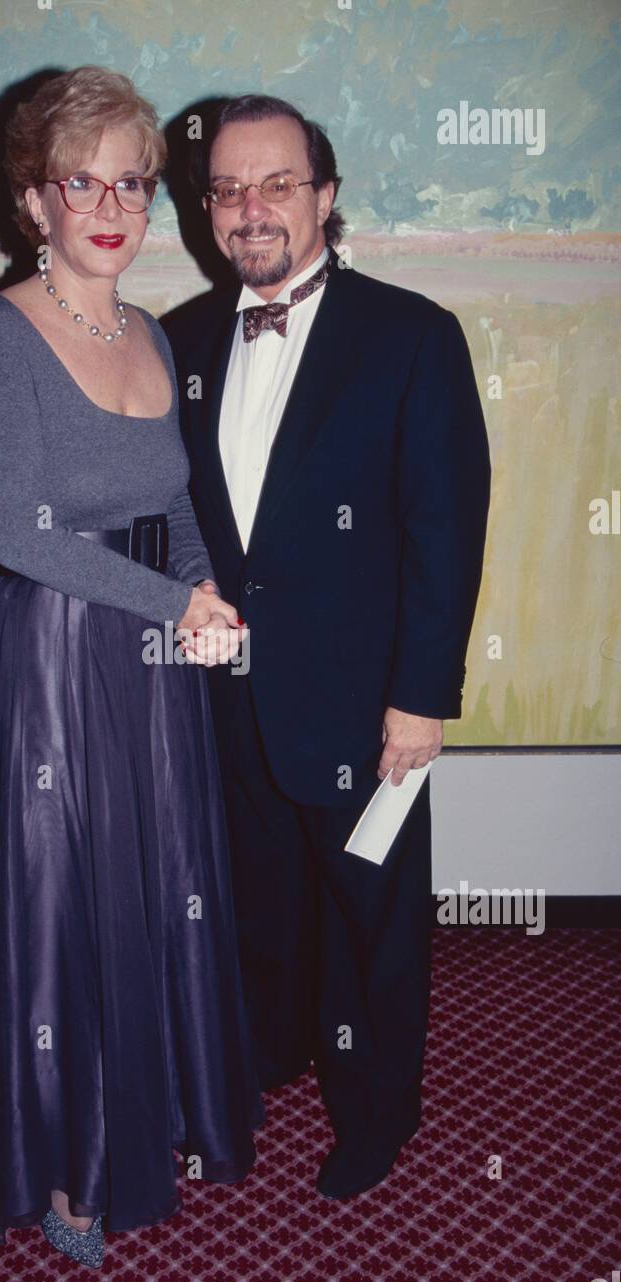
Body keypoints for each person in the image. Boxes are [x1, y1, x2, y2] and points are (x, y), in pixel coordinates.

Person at [0, 67, 265, 1269]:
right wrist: (176, 599)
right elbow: (19, 534)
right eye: (85, 181)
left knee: (156, 876)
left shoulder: (145, 332)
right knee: (66, 899)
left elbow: (169, 498)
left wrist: (202, 598)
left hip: (146, 653)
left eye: (134, 180)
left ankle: (150, 1119)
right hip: (54, 657)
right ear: (35, 199)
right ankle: (66, 1162)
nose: (113, 205)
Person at [163, 94, 491, 1200]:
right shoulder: (183, 338)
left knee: (370, 923)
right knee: (255, 902)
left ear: (327, 198)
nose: (250, 209)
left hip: (364, 706)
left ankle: (375, 1116)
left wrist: (421, 697)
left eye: (278, 186)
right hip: (226, 702)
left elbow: (445, 532)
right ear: (206, 208)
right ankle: (265, 1055)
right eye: (226, 189)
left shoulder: (410, 335)